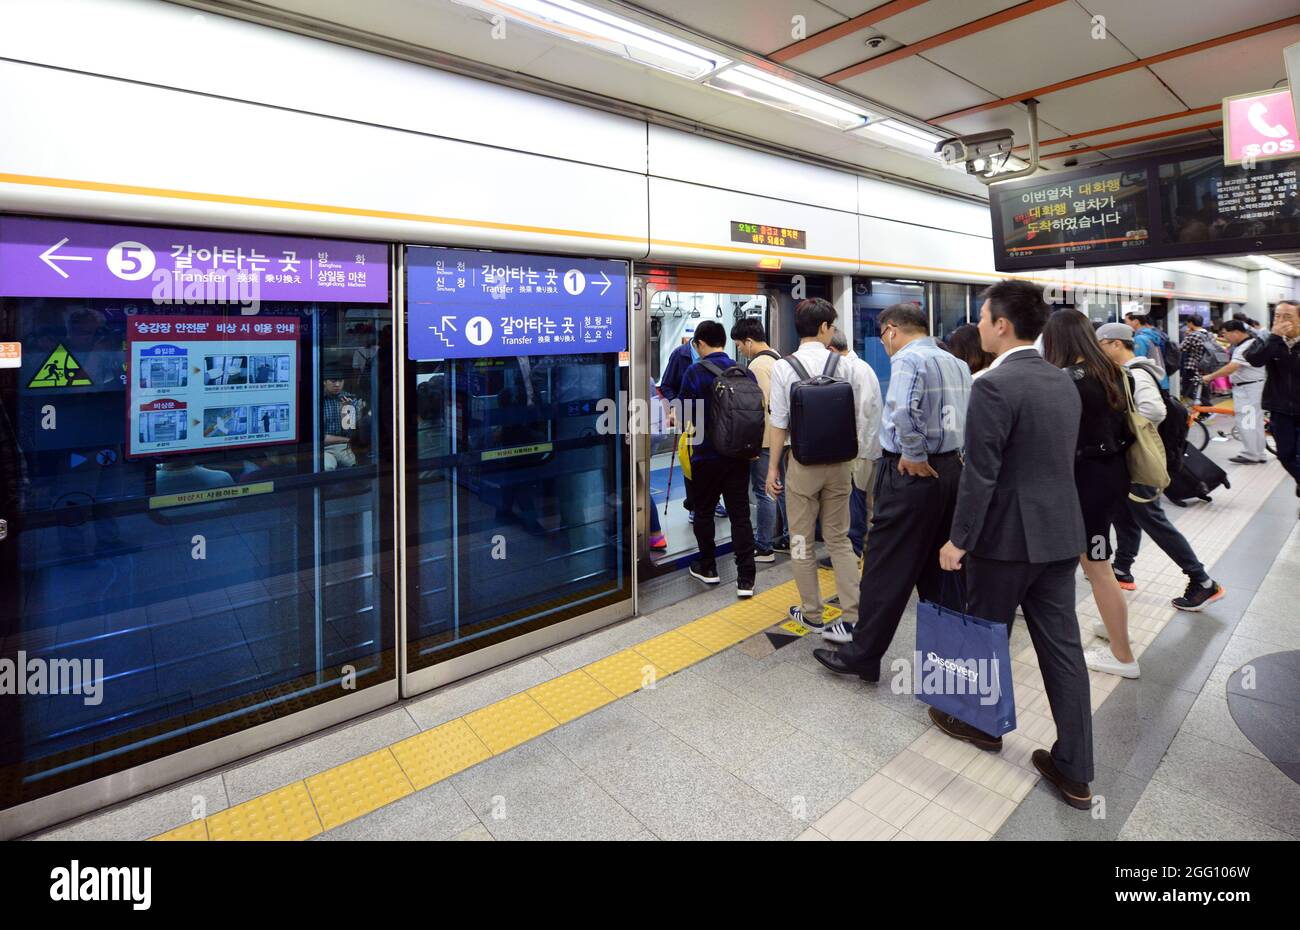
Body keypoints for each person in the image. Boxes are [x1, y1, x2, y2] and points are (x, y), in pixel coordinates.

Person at [934, 280, 1094, 811]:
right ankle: (1075, 768)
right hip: (1058, 533)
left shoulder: (992, 386)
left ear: (1002, 324)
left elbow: (982, 473)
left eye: (983, 317)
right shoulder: (1062, 381)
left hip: (1004, 539)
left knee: (986, 633)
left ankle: (983, 726)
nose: (979, 326)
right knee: (1063, 649)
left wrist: (959, 539)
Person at [811, 301, 969, 667]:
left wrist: (913, 453)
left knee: (884, 566)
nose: (884, 343)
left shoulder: (909, 359)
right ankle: (946, 657)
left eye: (883, 335)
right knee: (936, 570)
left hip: (911, 473)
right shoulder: (956, 363)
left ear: (892, 330)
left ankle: (862, 655)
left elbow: (902, 409)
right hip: (951, 472)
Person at [1096, 324, 1226, 610]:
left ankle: (1202, 581)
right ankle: (1122, 568)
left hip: (1139, 460)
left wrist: (1123, 434)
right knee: (1124, 514)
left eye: (1102, 344)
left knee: (1153, 520)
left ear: (1116, 344)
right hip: (1129, 460)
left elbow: (1154, 411)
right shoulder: (1128, 372)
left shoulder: (1137, 373)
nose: (1099, 351)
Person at [765, 298, 876, 629]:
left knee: (800, 539)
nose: (833, 332)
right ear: (824, 328)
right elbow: (855, 415)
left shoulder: (785, 367)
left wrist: (773, 468)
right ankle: (854, 615)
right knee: (839, 539)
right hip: (840, 464)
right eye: (833, 326)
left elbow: (779, 423)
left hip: (802, 463)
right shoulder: (843, 366)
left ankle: (812, 612)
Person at [1042, 311, 1138, 679]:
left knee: (1097, 566)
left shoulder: (1068, 380)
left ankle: (1123, 656)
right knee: (1096, 562)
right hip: (1113, 475)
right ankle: (1113, 627)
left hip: (1088, 483)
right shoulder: (1112, 371)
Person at [679, 320, 757, 598]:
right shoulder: (745, 372)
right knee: (740, 515)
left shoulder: (695, 372)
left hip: (706, 456)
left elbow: (687, 417)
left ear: (700, 343)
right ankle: (746, 577)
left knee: (703, 512)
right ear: (723, 341)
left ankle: (708, 567)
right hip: (739, 456)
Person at [829, 327, 882, 562]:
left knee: (855, 501)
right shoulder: (861, 367)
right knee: (867, 503)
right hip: (869, 447)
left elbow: (859, 414)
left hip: (860, 449)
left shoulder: (853, 370)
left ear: (831, 349)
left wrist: (851, 450)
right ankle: (867, 549)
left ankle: (853, 550)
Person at [730, 317, 780, 562]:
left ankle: (764, 545)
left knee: (763, 491)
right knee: (776, 488)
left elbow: (757, 408)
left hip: (765, 439)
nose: (740, 350)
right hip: (780, 437)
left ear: (749, 341)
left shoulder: (758, 366)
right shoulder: (778, 357)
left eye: (740, 345)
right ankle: (782, 536)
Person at [1245, 300, 1300, 507]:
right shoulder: (1269, 340)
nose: (1281, 321)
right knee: (1285, 455)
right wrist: (1274, 337)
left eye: (1287, 317)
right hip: (1280, 409)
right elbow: (1254, 359)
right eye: (1277, 316)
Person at [1202, 319, 1267, 465]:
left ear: (1236, 332)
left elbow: (1232, 367)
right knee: (1254, 422)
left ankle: (1251, 454)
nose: (1224, 337)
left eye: (1225, 334)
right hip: (1252, 387)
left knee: (1247, 421)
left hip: (1248, 389)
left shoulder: (1246, 346)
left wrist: (1210, 377)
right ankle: (1258, 453)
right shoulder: (1249, 343)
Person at [322, 366, 361, 470]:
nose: (337, 385)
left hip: (344, 447)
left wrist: (346, 413)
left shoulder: (348, 399)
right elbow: (319, 438)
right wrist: (346, 439)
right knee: (327, 467)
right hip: (325, 448)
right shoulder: (318, 400)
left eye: (340, 381)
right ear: (324, 382)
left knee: (355, 468)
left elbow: (351, 433)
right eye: (333, 381)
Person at [1123, 311, 1169, 391]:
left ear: (1136, 322)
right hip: (1160, 377)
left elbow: (1137, 362)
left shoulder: (1140, 339)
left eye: (1127, 321)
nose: (1125, 324)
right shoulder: (1152, 335)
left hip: (1150, 381)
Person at [1179, 315, 1216, 407]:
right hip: (1207, 366)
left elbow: (1181, 348)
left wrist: (1186, 336)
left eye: (1188, 323)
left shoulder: (1193, 335)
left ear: (1191, 323)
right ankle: (1205, 411)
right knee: (1204, 389)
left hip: (1193, 367)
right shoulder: (1210, 334)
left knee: (1186, 390)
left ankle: (1208, 406)